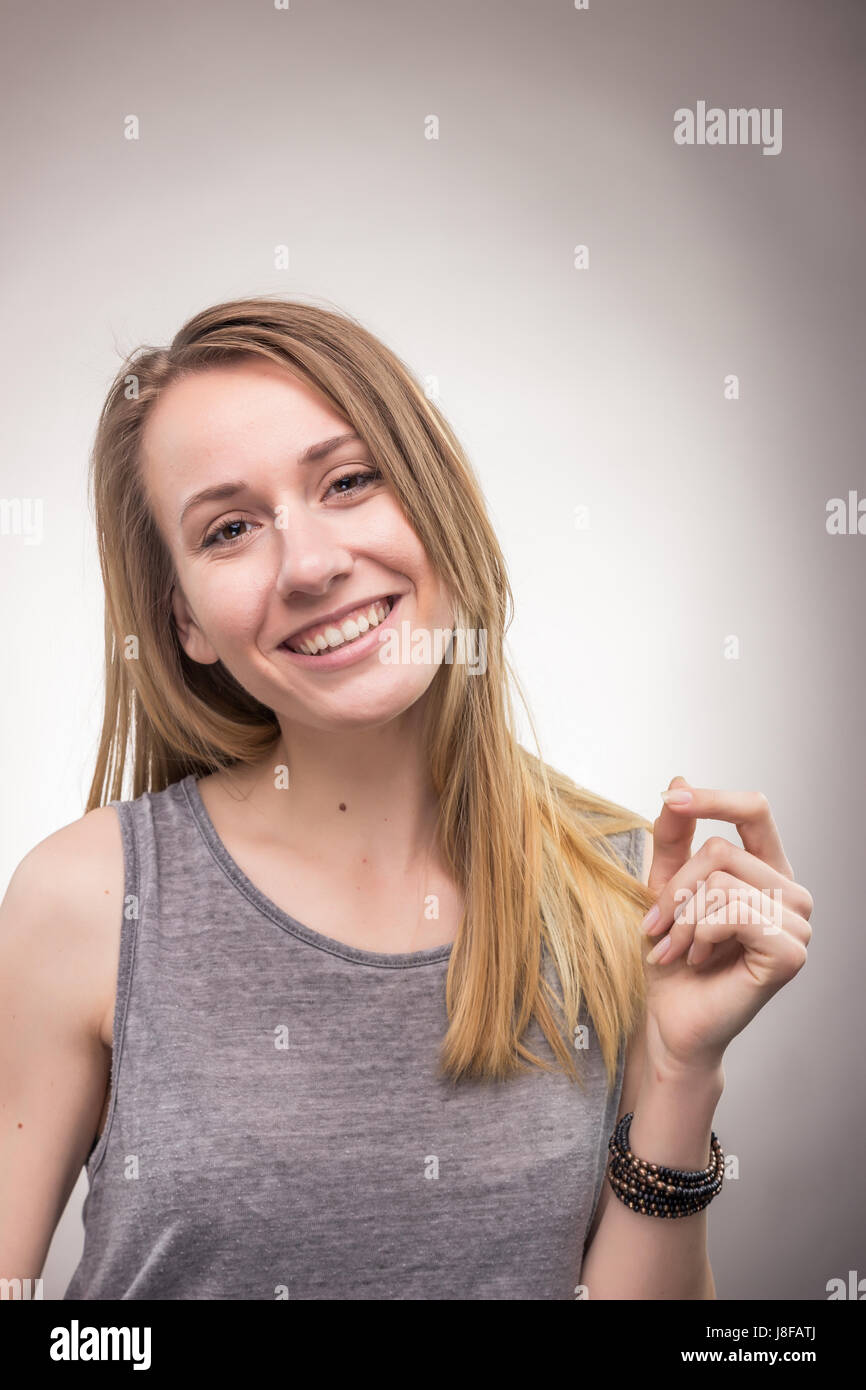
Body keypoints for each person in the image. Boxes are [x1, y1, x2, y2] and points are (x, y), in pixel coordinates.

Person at [0, 296, 813, 1300]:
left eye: (347, 480)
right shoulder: (86, 899)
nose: (310, 564)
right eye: (228, 530)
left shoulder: (617, 883)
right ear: (186, 623)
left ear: (433, 499)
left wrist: (682, 1068)